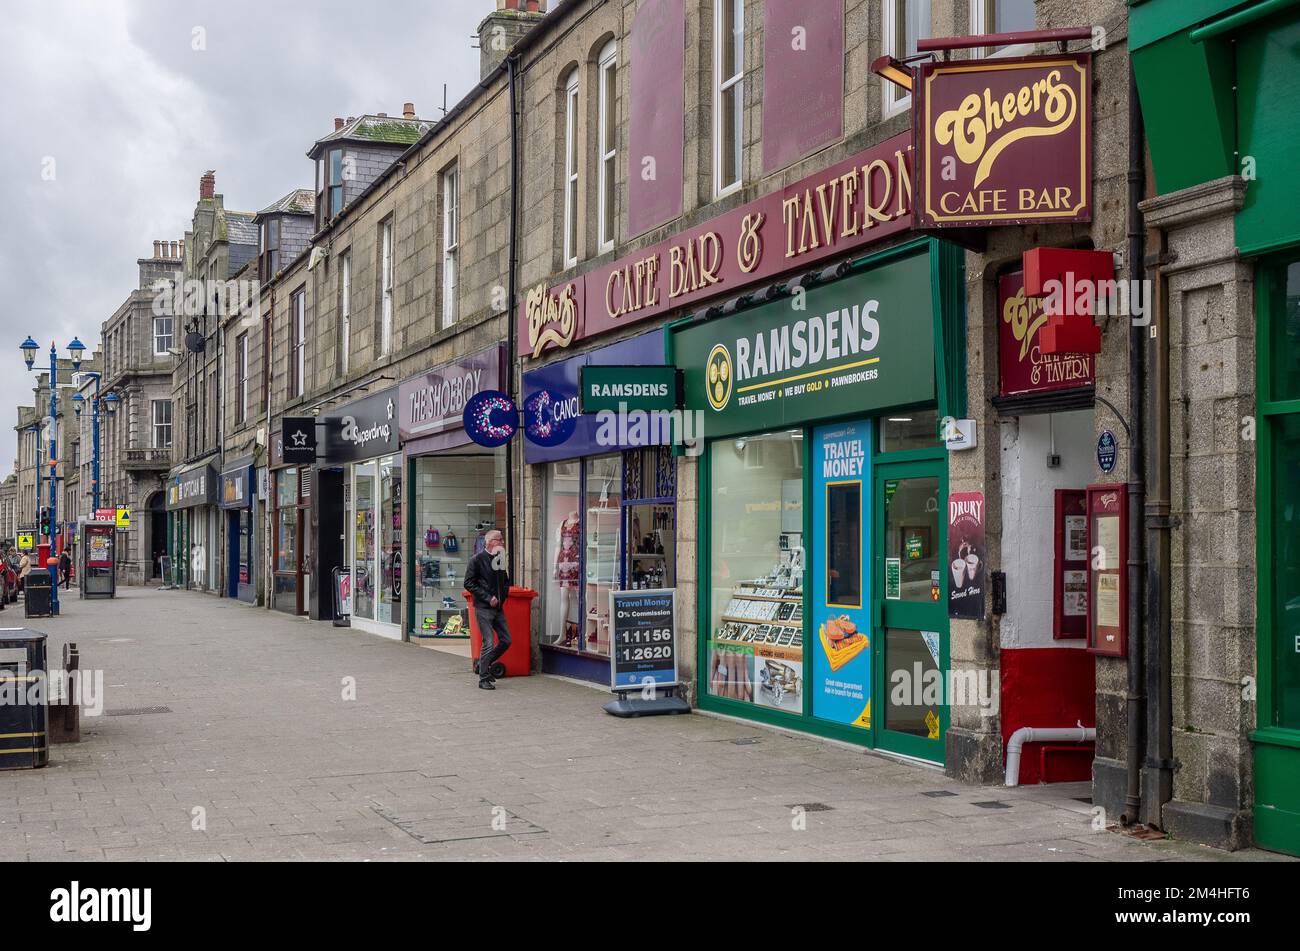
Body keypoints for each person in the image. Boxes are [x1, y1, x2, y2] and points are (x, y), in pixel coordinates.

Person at [464, 529, 512, 691]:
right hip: (484, 608)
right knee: (489, 642)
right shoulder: (477, 560)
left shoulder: (499, 559)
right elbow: (469, 583)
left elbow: (505, 581)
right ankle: (483, 678)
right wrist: (488, 597)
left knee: (506, 640)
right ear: (490, 541)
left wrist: (502, 596)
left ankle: (483, 664)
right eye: (500, 540)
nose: (502, 543)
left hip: (498, 607)